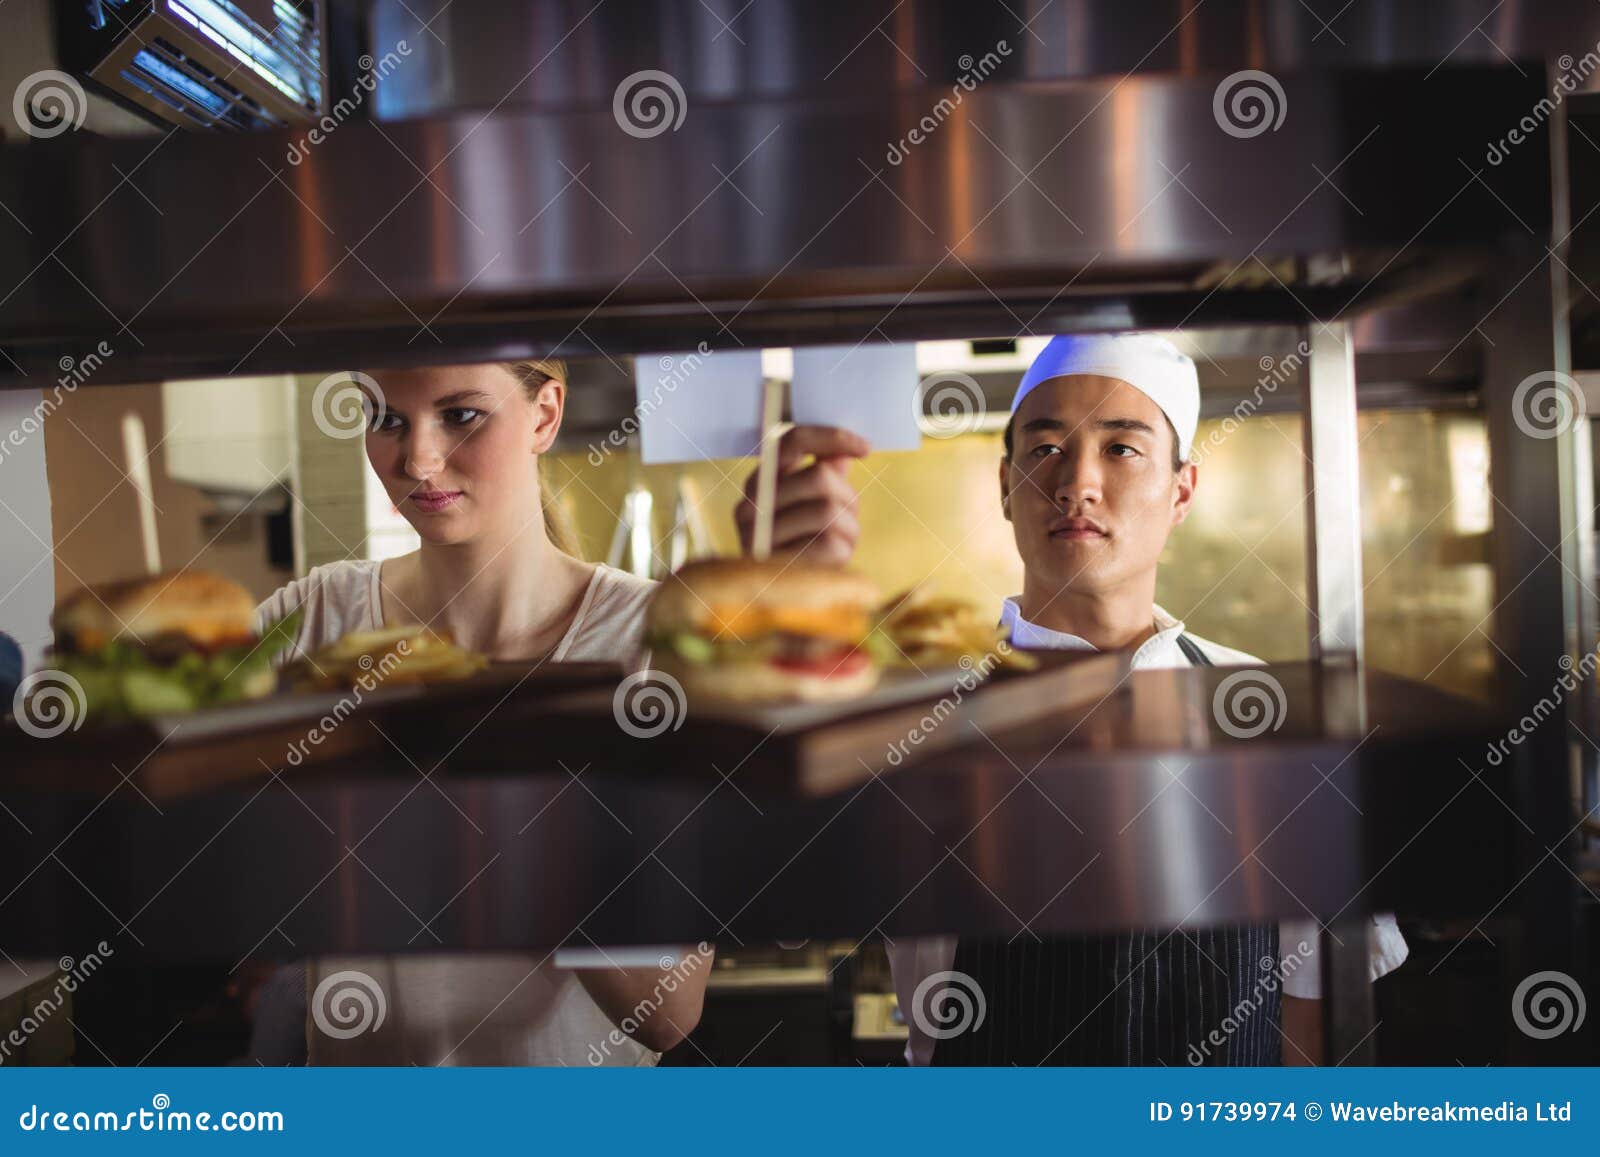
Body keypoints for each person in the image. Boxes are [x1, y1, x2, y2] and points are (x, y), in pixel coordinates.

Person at [250, 358, 867, 1065]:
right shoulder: (314, 620)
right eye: (387, 417)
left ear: (545, 415)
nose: (416, 456)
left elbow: (666, 1009)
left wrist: (500, 786)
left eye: (460, 415)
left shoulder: (656, 643)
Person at [887, 334, 1408, 1066]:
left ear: (1182, 490)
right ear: (1006, 485)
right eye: (1044, 450)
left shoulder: (1268, 714)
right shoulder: (915, 718)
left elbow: (1312, 1021)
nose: (1077, 483)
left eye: (1122, 448)